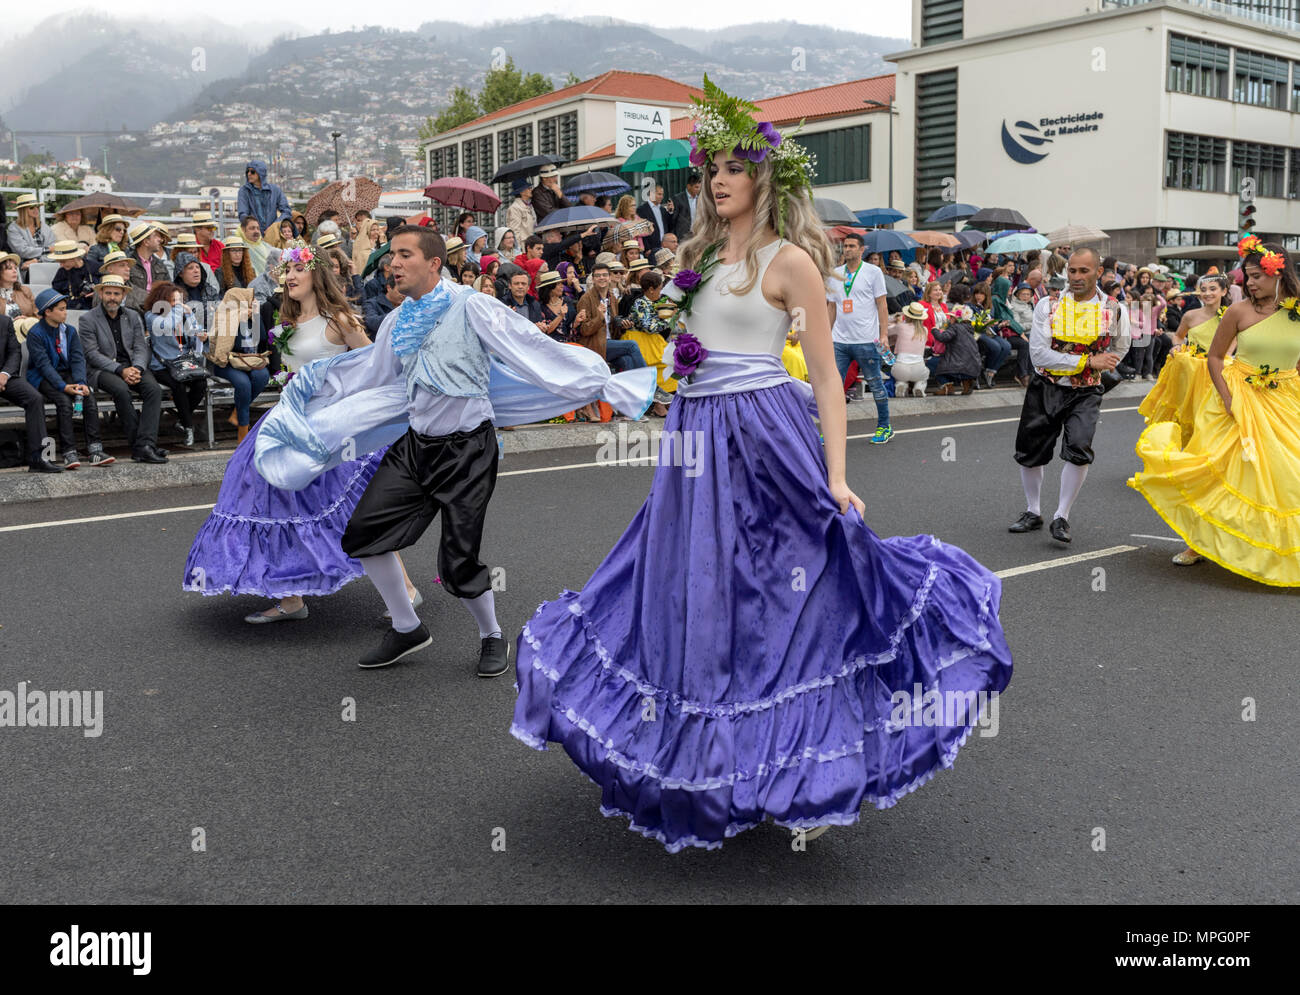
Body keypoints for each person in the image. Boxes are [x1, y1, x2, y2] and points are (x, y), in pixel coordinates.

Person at [510, 76, 1012, 851]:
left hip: (767, 429)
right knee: (692, 589)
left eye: (735, 168)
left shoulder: (793, 264)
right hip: (696, 431)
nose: (718, 178)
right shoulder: (694, 253)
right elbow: (691, 352)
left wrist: (839, 475)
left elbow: (824, 381)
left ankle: (784, 760)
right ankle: (716, 757)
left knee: (788, 588)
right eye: (712, 167)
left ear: (764, 178)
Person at [249, 226, 656, 669]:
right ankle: (407, 628)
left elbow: (529, 347)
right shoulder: (395, 321)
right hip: (416, 447)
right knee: (364, 534)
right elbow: (369, 375)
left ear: (434, 264)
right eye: (392, 256)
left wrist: (597, 380)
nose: (393, 263)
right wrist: (309, 392)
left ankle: (492, 635)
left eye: (404, 255)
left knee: (458, 561)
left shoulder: (472, 304)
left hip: (468, 449)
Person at [185, 238, 417, 623]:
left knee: (352, 510)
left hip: (329, 427)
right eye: (286, 270)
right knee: (272, 500)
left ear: (316, 274)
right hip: (288, 422)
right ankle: (290, 598)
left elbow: (375, 368)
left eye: (297, 269)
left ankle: (405, 591)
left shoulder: (340, 321)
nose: (289, 276)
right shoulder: (288, 322)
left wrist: (364, 413)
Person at [1130, 240, 1300, 582]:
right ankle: (1198, 541)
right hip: (1238, 395)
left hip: (1285, 399)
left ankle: (1270, 547)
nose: (1249, 284)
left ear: (1278, 274)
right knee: (1216, 469)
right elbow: (1216, 357)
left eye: (1256, 277)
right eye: (1246, 277)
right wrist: (1227, 398)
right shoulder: (1239, 312)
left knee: (1284, 475)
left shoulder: (1297, 312)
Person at [1009, 247, 1131, 544]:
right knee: (1031, 451)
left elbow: (1121, 344)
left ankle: (1061, 515)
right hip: (1046, 387)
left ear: (1098, 273)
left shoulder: (1114, 308)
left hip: (1087, 390)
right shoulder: (1047, 305)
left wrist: (1106, 362)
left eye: (1083, 271)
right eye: (1072, 271)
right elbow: (1039, 354)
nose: (1076, 277)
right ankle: (1033, 510)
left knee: (1079, 447)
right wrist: (1089, 361)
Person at [79, 274, 168, 464]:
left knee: (153, 390)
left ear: (123, 296)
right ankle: (142, 446)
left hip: (132, 366)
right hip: (102, 370)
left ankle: (145, 444)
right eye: (108, 293)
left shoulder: (133, 316)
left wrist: (136, 367)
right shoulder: (87, 319)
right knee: (121, 390)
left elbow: (140, 347)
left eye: (116, 294)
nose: (112, 297)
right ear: (101, 294)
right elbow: (92, 354)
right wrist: (121, 370)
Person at [1137, 273, 1230, 451]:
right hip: (1192, 370)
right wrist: (1177, 347)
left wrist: (1224, 357)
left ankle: (1209, 455)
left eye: (1213, 289)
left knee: (1213, 414)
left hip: (1219, 369)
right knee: (1188, 413)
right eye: (1203, 290)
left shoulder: (1230, 316)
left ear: (1223, 291)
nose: (1207, 293)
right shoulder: (1190, 315)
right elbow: (1179, 336)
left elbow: (1233, 342)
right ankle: (1187, 452)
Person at [24, 289, 115, 469]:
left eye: (65, 308)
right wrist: (63, 386)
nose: (66, 312)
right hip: (43, 377)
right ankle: (69, 452)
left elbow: (77, 358)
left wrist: (81, 382)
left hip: (67, 374)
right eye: (61, 309)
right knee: (64, 402)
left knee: (87, 397)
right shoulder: (35, 333)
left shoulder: (70, 331)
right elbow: (43, 365)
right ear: (47, 312)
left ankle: (95, 450)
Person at [825, 231, 892, 443]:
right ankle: (830, 430)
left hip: (866, 340)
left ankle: (884, 426)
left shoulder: (873, 272)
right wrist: (827, 335)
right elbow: (832, 307)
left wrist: (884, 335)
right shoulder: (835, 273)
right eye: (845, 246)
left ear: (862, 250)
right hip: (840, 341)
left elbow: (882, 305)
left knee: (875, 385)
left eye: (852, 246)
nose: (847, 249)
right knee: (834, 388)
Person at [145, 280, 208, 449]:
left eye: (180, 300)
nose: (178, 305)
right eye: (174, 301)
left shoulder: (182, 315)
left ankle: (182, 420)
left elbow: (194, 335)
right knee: (178, 385)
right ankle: (188, 427)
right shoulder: (152, 317)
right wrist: (182, 310)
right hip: (162, 365)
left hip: (183, 362)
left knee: (201, 383)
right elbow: (168, 325)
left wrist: (200, 335)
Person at [0, 311, 60, 472]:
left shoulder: (5, 322)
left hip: (5, 376)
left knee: (34, 398)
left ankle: (38, 458)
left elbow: (14, 352)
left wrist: (4, 374)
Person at [575, 261, 645, 376]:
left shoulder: (611, 298)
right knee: (632, 345)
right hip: (594, 344)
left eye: (604, 275)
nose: (601, 278)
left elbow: (613, 328)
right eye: (598, 276)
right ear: (593, 279)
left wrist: (623, 326)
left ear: (609, 277)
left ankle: (632, 391)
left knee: (627, 360)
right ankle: (649, 381)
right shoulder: (586, 299)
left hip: (609, 343)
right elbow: (584, 330)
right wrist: (599, 317)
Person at [237, 160, 292, 236]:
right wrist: (254, 228)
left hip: (273, 235)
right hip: (253, 236)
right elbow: (243, 214)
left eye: (252, 172)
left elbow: (286, 211)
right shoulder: (244, 191)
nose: (249, 174)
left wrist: (274, 226)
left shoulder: (275, 190)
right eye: (247, 171)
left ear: (261, 173)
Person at [892, 301, 932, 397]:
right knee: (925, 374)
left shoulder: (901, 327)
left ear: (907, 316)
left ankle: (901, 384)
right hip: (918, 368)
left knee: (900, 376)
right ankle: (919, 386)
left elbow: (887, 331)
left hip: (900, 368)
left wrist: (896, 321)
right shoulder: (924, 330)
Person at [49, 241, 96, 310]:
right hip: (70, 309)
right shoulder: (62, 272)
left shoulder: (94, 267)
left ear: (74, 258)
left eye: (63, 262)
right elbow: (56, 294)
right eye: (59, 262)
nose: (61, 265)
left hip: (93, 308)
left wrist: (97, 294)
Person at [635, 184, 667, 254]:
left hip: (664, 247)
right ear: (651, 194)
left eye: (662, 194)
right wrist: (647, 248)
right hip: (651, 249)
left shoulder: (663, 209)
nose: (662, 197)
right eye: (659, 194)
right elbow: (641, 230)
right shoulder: (642, 210)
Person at [669, 171, 702, 240]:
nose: (698, 190)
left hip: (697, 235)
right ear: (689, 186)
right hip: (682, 236)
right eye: (696, 187)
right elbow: (673, 219)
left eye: (699, 187)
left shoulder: (700, 199)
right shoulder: (678, 198)